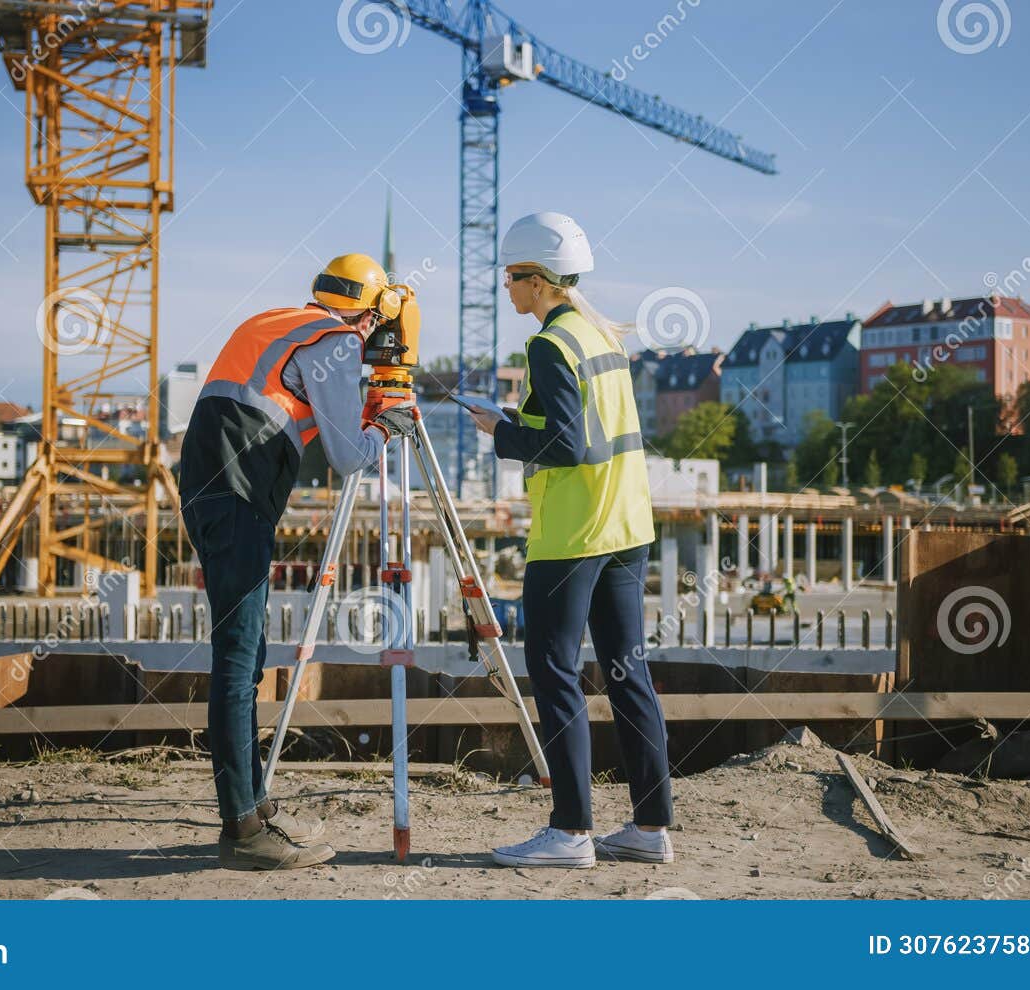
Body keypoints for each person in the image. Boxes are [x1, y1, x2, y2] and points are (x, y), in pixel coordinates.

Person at [179, 253, 416, 871]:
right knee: (238, 658)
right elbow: (347, 457)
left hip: (211, 480)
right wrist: (385, 428)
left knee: (247, 652)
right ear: (369, 314)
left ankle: (252, 804)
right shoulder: (338, 341)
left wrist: (362, 414)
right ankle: (241, 829)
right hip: (237, 491)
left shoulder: (280, 322)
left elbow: (303, 412)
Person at [467, 212, 673, 868]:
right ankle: (649, 826)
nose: (504, 289)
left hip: (574, 533)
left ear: (537, 281)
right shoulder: (599, 336)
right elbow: (582, 424)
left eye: (510, 278)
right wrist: (515, 420)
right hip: (626, 526)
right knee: (626, 671)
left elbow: (564, 442)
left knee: (554, 671)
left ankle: (571, 831)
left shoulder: (551, 345)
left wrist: (498, 433)